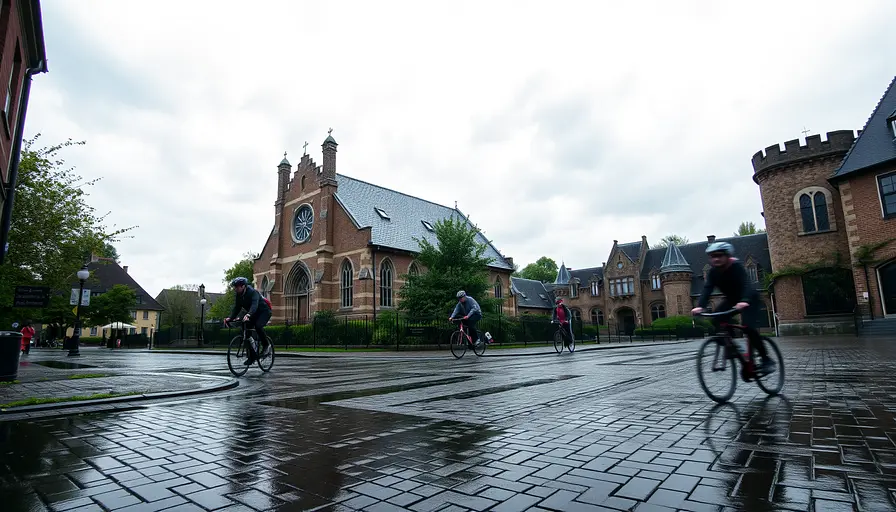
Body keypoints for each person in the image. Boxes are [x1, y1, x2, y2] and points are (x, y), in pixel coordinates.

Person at [691, 241, 776, 375]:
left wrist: (744, 301)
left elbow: (747, 284)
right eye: (713, 256)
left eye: (719, 255)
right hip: (732, 299)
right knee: (717, 318)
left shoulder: (736, 267)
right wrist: (700, 306)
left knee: (749, 328)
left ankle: (766, 359)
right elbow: (707, 289)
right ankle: (730, 346)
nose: (716, 259)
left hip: (749, 298)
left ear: (727, 256)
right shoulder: (713, 272)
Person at [224, 277, 273, 366]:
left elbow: (254, 305)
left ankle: (266, 345)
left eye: (237, 287)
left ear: (243, 286)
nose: (235, 288)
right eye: (234, 287)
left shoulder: (253, 292)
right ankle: (252, 356)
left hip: (264, 312)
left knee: (258, 326)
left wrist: (248, 314)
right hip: (253, 313)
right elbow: (236, 308)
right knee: (245, 329)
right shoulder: (238, 296)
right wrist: (230, 318)